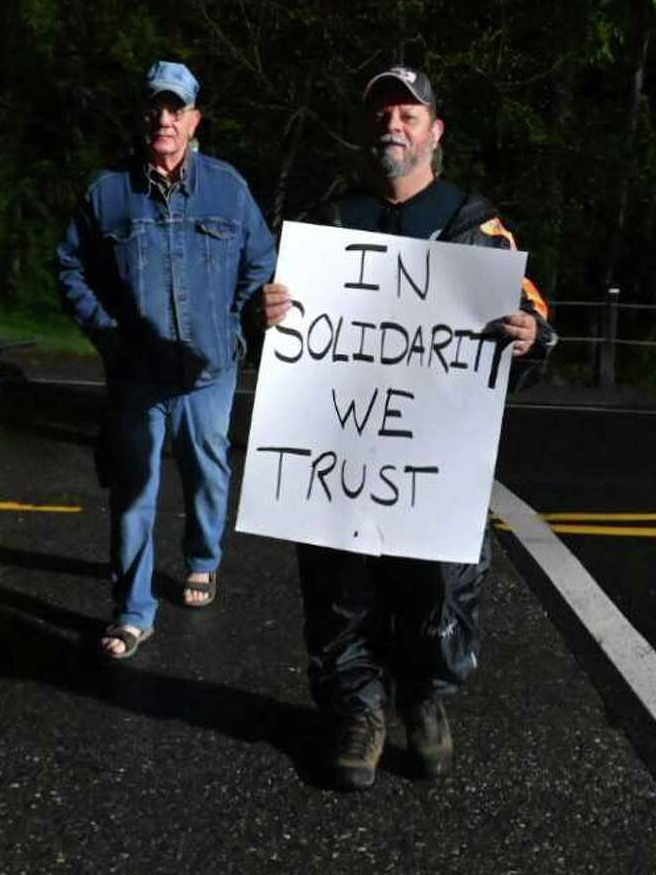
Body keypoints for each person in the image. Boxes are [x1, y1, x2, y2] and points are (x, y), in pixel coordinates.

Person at [259, 65, 556, 790]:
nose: (394, 124)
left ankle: (425, 699)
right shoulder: (329, 223)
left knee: (439, 581)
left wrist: (533, 336)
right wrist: (262, 312)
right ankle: (358, 709)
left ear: (435, 131)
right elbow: (287, 324)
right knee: (339, 582)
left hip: (432, 455)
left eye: (409, 114)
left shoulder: (475, 224)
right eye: (383, 112)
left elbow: (535, 319)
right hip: (341, 445)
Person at [57, 60, 277, 660]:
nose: (164, 118)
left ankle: (202, 559)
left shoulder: (228, 187)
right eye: (155, 107)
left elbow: (262, 259)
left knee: (208, 470)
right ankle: (132, 610)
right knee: (134, 489)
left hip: (209, 371)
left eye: (176, 108)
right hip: (136, 376)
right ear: (142, 115)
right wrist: (108, 332)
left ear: (194, 119)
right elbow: (70, 267)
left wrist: (231, 319)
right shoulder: (108, 193)